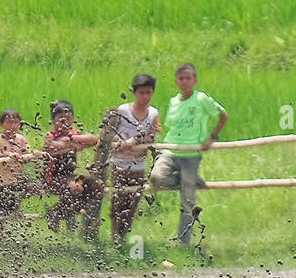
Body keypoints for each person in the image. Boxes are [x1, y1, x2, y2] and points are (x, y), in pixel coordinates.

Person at [148, 63, 227, 245]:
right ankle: (186, 181)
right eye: (181, 78)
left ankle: (184, 243)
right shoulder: (174, 101)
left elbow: (223, 115)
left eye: (188, 78)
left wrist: (212, 137)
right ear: (176, 80)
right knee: (156, 178)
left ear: (195, 80)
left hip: (191, 155)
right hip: (171, 151)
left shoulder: (201, 99)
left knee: (188, 203)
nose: (184, 82)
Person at [110, 74, 160, 247]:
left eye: (149, 92)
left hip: (138, 165)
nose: (145, 97)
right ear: (134, 92)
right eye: (141, 93)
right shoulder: (122, 110)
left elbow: (153, 135)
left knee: (132, 203)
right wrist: (121, 143)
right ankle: (115, 237)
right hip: (120, 163)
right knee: (118, 201)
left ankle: (123, 237)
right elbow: (110, 133)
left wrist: (136, 143)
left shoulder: (153, 113)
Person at [42, 100, 101, 232]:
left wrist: (70, 140)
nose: (64, 123)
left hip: (69, 176)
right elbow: (52, 147)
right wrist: (74, 143)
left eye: (68, 119)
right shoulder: (50, 136)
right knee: (76, 187)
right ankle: (58, 213)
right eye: (60, 120)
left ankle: (62, 212)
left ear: (73, 119)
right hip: (52, 179)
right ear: (52, 122)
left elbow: (93, 139)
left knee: (96, 185)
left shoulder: (74, 133)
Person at [0, 108, 34, 220]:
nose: (12, 125)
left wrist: (27, 157)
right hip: (1, 181)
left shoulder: (21, 139)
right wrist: (9, 155)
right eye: (9, 122)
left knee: (33, 188)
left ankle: (12, 223)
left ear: (20, 124)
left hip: (17, 179)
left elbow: (28, 153)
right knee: (3, 210)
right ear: (1, 124)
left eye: (15, 122)